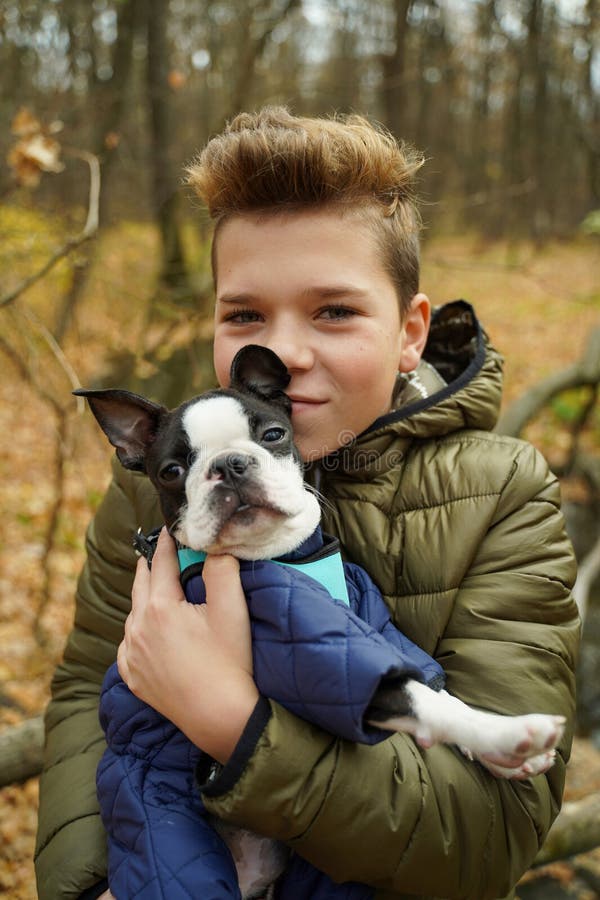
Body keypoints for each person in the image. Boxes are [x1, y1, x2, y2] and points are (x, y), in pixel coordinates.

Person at [35, 106, 579, 900]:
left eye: (335, 311)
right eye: (246, 315)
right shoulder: (150, 494)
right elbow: (88, 694)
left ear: (411, 332)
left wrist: (237, 725)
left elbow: (490, 836)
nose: (287, 353)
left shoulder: (500, 497)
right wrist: (91, 881)